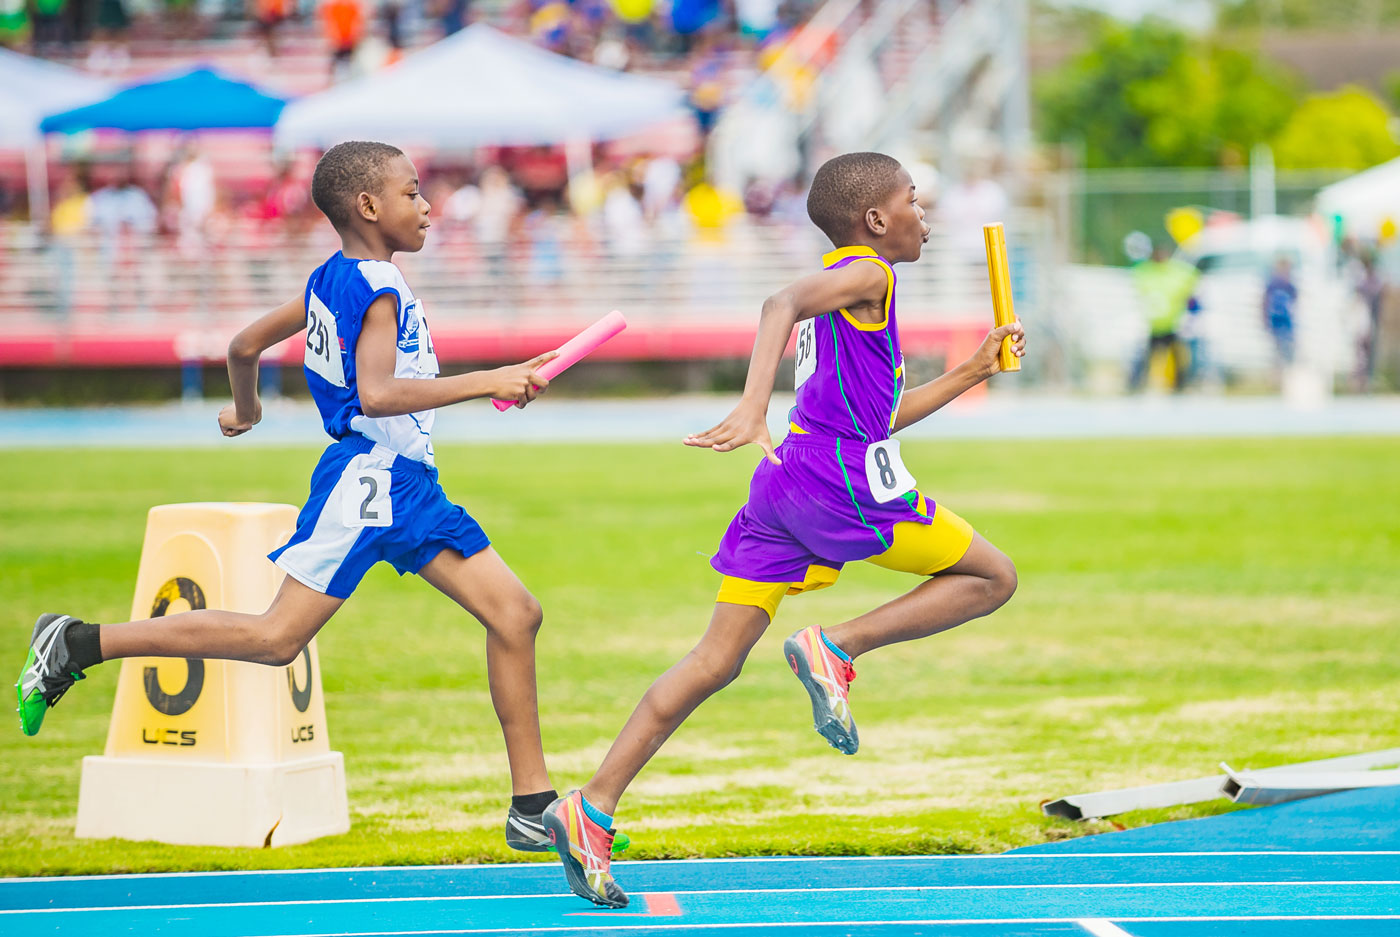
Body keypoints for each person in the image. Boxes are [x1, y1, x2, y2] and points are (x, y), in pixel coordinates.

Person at [15, 141, 572, 855]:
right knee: (276, 638)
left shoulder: (329, 279)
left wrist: (246, 411)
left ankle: (531, 803)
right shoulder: (379, 286)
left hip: (405, 483)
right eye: (411, 193)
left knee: (516, 614)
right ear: (368, 206)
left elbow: (243, 345)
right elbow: (376, 395)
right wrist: (490, 379)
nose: (427, 205)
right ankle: (76, 642)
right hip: (374, 482)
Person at [540, 151, 1025, 908]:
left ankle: (591, 806)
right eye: (913, 199)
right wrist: (751, 405)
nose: (924, 214)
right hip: (840, 482)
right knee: (993, 576)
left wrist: (971, 370)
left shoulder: (850, 289)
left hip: (785, 481)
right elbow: (778, 302)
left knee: (714, 660)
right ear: (875, 219)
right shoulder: (871, 275)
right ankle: (838, 646)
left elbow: (876, 415)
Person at [1127, 243, 1198, 392]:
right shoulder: (1146, 272)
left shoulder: (1176, 272)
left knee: (1178, 356)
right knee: (1146, 356)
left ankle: (1181, 385)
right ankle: (1136, 384)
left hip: (1173, 322)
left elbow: (1191, 285)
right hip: (1154, 323)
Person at [1262, 254, 1298, 373]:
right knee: (1277, 350)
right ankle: (1278, 373)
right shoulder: (1272, 285)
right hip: (1276, 321)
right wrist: (1264, 319)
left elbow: (1295, 301)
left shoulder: (1289, 285)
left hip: (1287, 322)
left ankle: (1288, 371)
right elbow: (1265, 302)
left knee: (1289, 348)